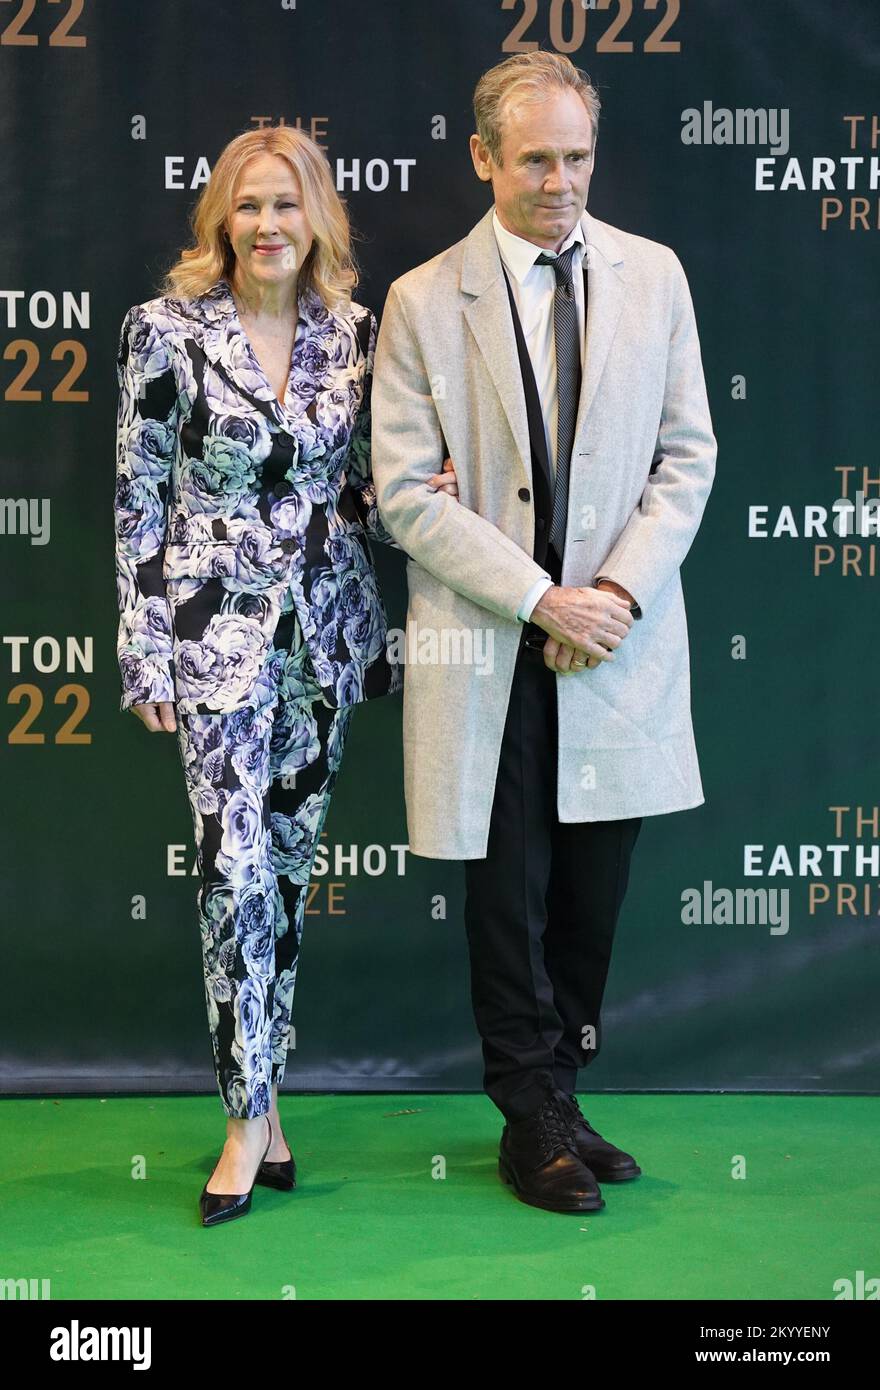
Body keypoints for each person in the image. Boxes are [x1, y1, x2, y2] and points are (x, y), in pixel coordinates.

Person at [371, 52, 717, 1214]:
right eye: (535, 159)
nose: (560, 180)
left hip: (612, 642)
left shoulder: (655, 276)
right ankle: (529, 1118)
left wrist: (609, 594)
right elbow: (406, 493)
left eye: (576, 156)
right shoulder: (423, 299)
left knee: (590, 893)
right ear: (482, 158)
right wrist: (539, 598)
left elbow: (687, 455)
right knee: (506, 894)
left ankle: (562, 1093)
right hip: (493, 638)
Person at [113, 125, 459, 1227]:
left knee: (289, 877)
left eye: (288, 206)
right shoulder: (162, 332)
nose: (269, 226)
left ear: (319, 221)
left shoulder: (356, 334)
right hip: (210, 639)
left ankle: (268, 1098)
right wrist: (143, 647)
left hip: (327, 635)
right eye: (250, 206)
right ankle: (241, 1113)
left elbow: (362, 495)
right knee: (232, 872)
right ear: (221, 218)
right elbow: (137, 503)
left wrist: (424, 492)